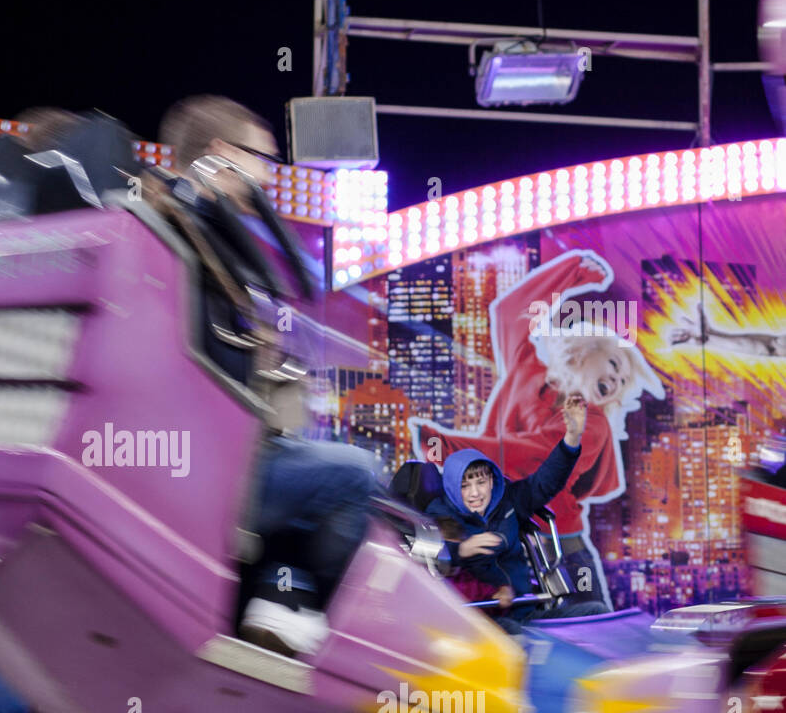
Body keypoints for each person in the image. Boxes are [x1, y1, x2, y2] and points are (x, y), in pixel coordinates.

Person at [157, 95, 382, 656]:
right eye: (263, 160)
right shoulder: (188, 223)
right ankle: (293, 623)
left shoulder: (184, 230)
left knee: (305, 469)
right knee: (359, 474)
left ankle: (263, 608)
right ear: (220, 156)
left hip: (199, 454)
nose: (270, 176)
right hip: (209, 469)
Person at [412, 249, 664, 610]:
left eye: (622, 380)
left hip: (557, 546)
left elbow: (534, 458)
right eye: (613, 363)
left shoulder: (592, 423)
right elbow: (509, 313)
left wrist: (443, 442)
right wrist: (571, 272)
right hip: (501, 537)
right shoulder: (526, 369)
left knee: (589, 633)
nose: (616, 377)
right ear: (585, 352)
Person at [426, 394, 608, 633]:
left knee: (597, 613)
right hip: (479, 624)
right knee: (512, 633)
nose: (475, 493)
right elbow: (420, 559)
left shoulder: (508, 500)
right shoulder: (439, 514)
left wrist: (572, 438)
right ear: (452, 487)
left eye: (481, 483)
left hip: (527, 613)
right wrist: (459, 551)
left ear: (492, 480)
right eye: (464, 486)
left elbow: (546, 481)